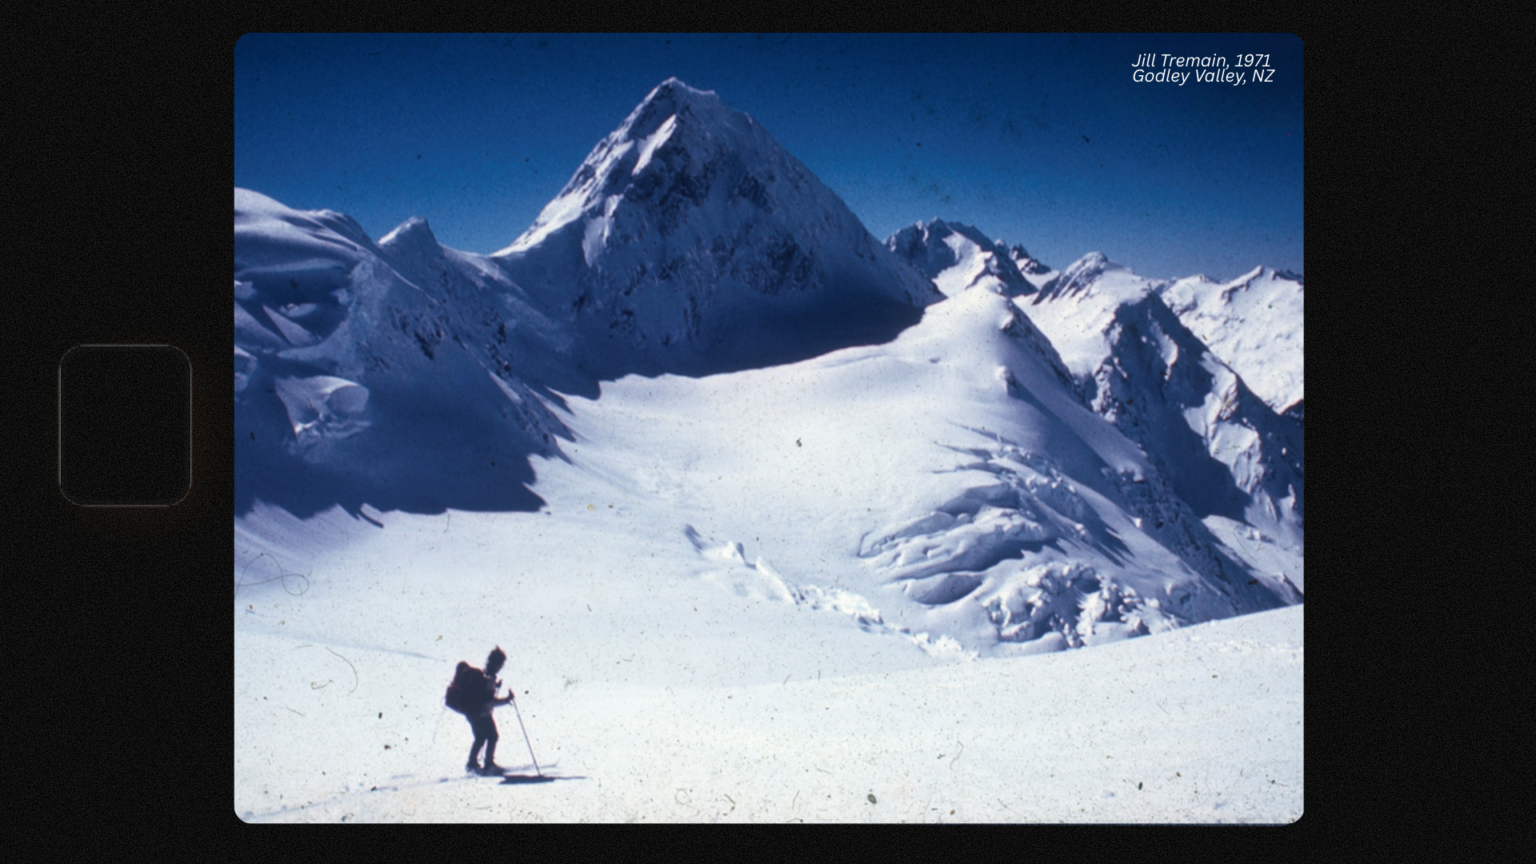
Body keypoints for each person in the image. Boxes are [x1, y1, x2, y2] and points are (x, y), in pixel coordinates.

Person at [464, 646, 515, 775]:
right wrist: (507, 699)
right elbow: (490, 702)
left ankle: (471, 764)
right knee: (493, 736)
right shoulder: (490, 679)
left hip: (472, 713)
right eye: (501, 664)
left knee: (480, 737)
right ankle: (489, 765)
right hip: (483, 715)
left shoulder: (483, 674)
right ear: (497, 664)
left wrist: (495, 687)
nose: (501, 667)